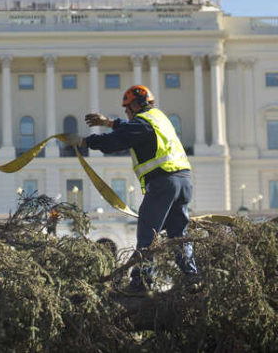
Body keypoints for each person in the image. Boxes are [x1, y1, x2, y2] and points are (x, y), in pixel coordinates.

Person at [63, 84, 200, 292]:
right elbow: (130, 129)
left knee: (147, 233)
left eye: (127, 108)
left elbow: (116, 141)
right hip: (184, 181)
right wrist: (109, 122)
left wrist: (84, 141)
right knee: (178, 234)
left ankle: (141, 282)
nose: (126, 113)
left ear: (136, 105)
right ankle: (192, 278)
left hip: (164, 183)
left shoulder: (142, 124)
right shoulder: (158, 118)